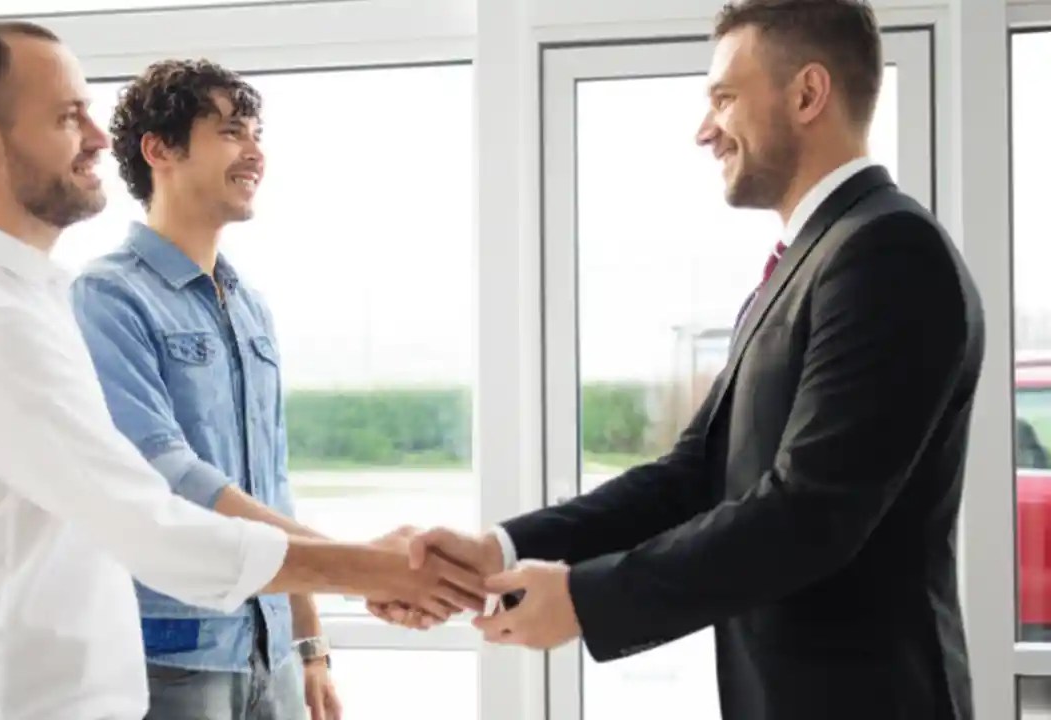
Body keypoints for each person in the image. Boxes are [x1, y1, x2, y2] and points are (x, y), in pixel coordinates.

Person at [401, 1, 984, 718]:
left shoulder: (888, 253)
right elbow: (692, 478)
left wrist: (586, 599)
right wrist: (501, 546)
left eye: (724, 98)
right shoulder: (811, 262)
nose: (705, 130)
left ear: (807, 94)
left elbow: (808, 514)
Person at [0, 21, 482, 720]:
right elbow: (155, 518)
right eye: (65, 116)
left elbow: (250, 484)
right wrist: (375, 566)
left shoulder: (37, 297)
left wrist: (311, 634)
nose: (96, 137)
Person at [68, 59, 367, 720]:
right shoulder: (106, 297)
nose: (256, 151)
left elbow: (272, 483)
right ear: (161, 150)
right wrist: (353, 563)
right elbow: (165, 471)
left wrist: (311, 642)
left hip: (272, 651)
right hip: (174, 656)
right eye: (232, 132)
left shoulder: (251, 306)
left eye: (257, 133)